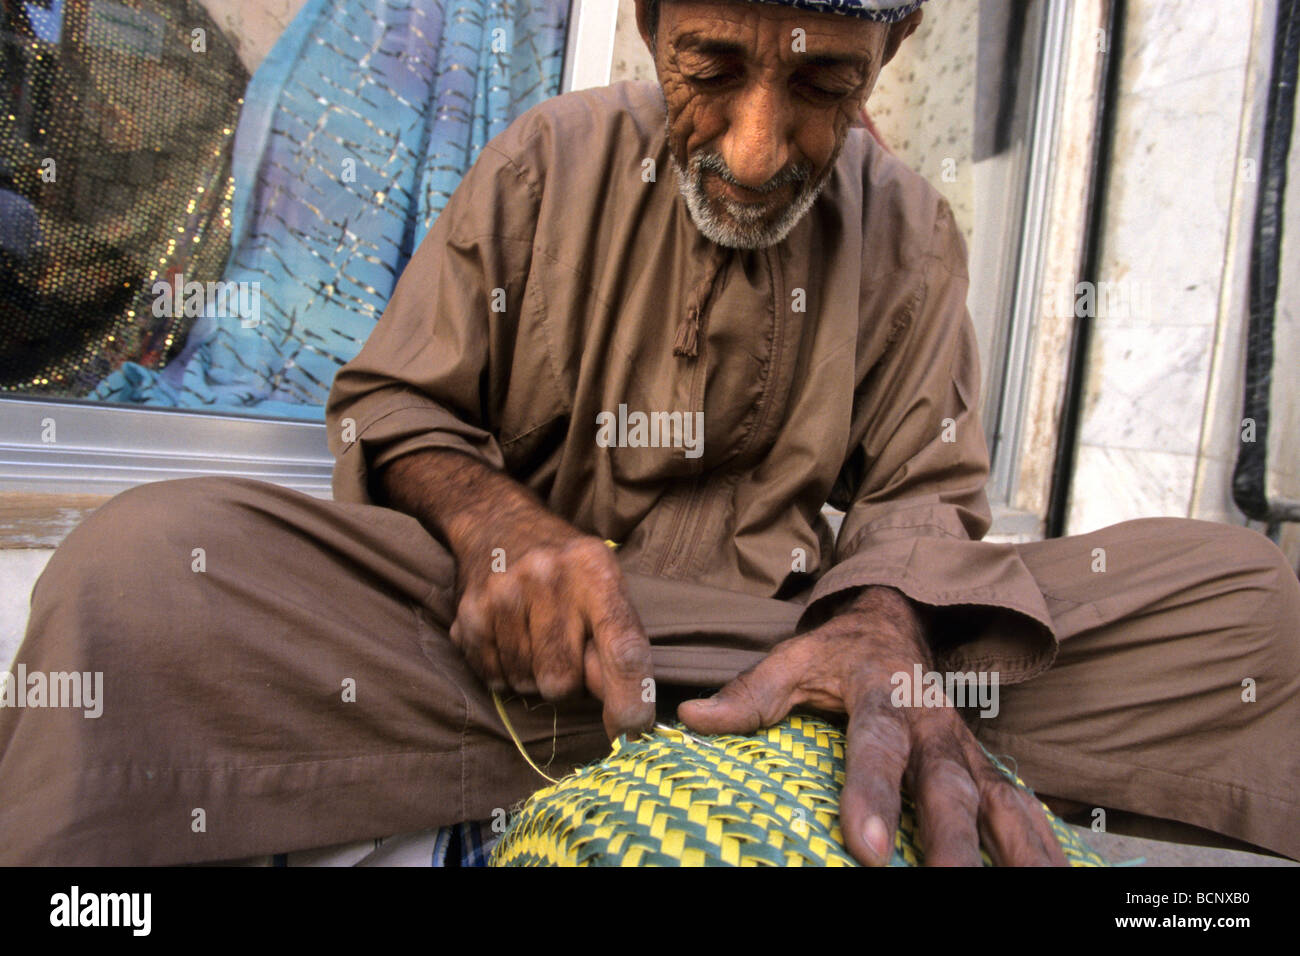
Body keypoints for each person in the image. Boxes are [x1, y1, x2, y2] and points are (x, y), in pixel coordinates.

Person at [1, 0, 1296, 866]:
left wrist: (881, 626)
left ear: (885, 61)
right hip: (516, 659)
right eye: (715, 71)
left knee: (1249, 608)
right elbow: (401, 409)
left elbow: (920, 500)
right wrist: (498, 527)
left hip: (784, 655)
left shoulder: (908, 228)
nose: (756, 146)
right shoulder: (543, 161)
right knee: (145, 567)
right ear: (646, 18)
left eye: (824, 85)